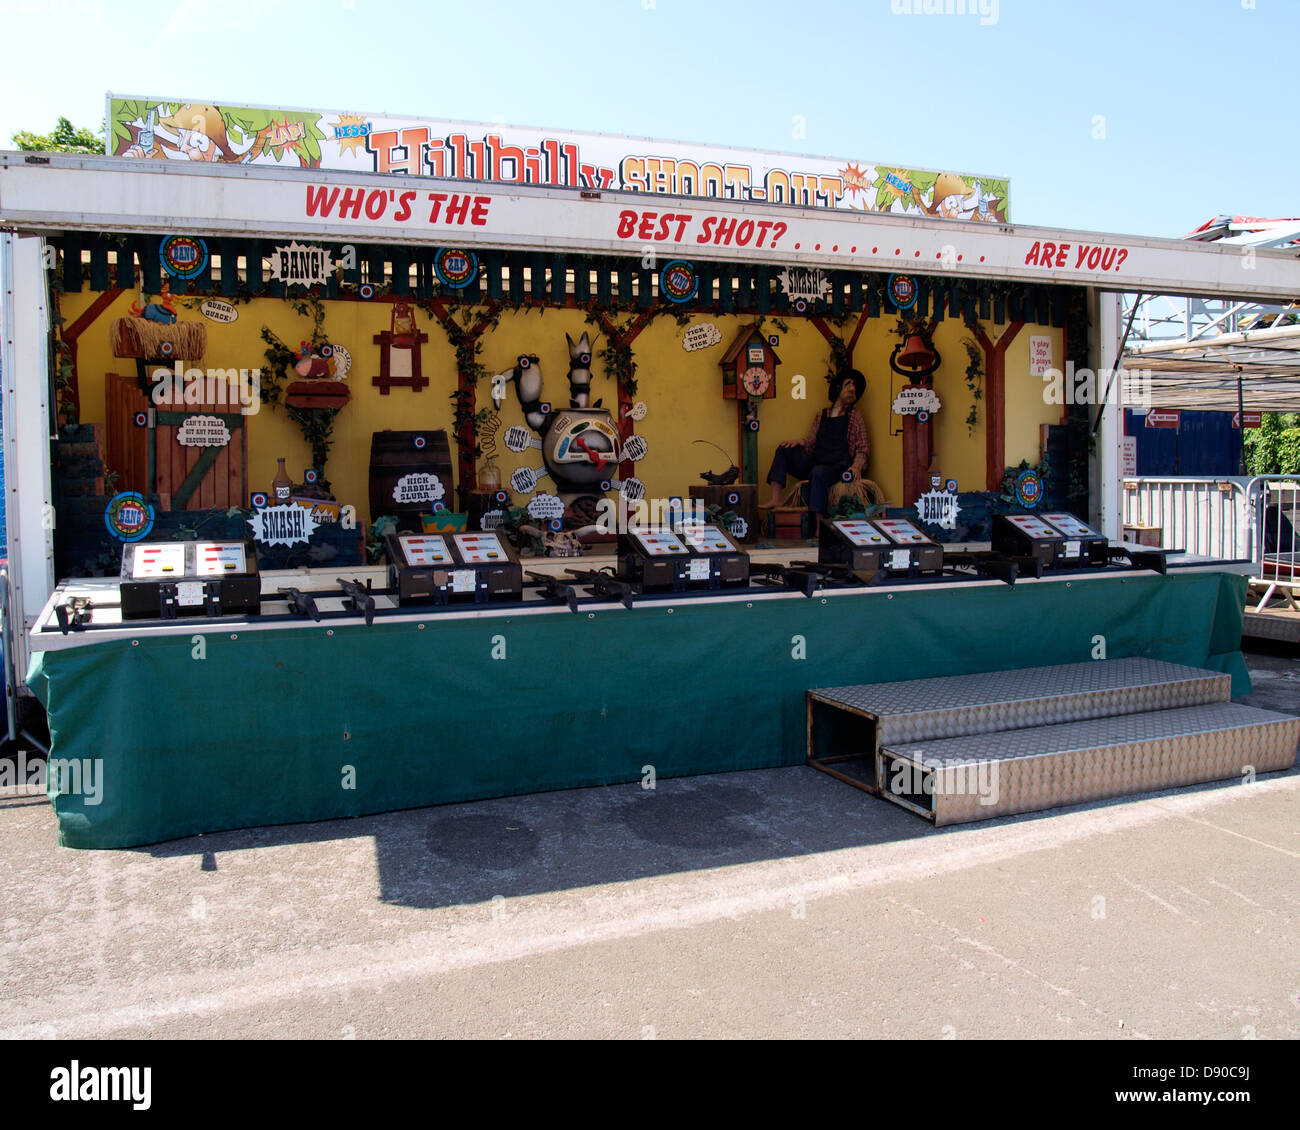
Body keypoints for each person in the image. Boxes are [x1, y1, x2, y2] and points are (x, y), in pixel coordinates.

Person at [760, 368, 869, 515]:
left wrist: (856, 467)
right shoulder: (821, 414)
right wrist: (799, 442)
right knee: (783, 449)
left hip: (837, 468)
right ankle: (776, 498)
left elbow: (863, 448)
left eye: (855, 386)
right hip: (816, 463)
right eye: (848, 384)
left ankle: (818, 527)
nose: (852, 389)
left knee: (819, 472)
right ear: (838, 387)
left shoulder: (855, 416)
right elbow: (811, 442)